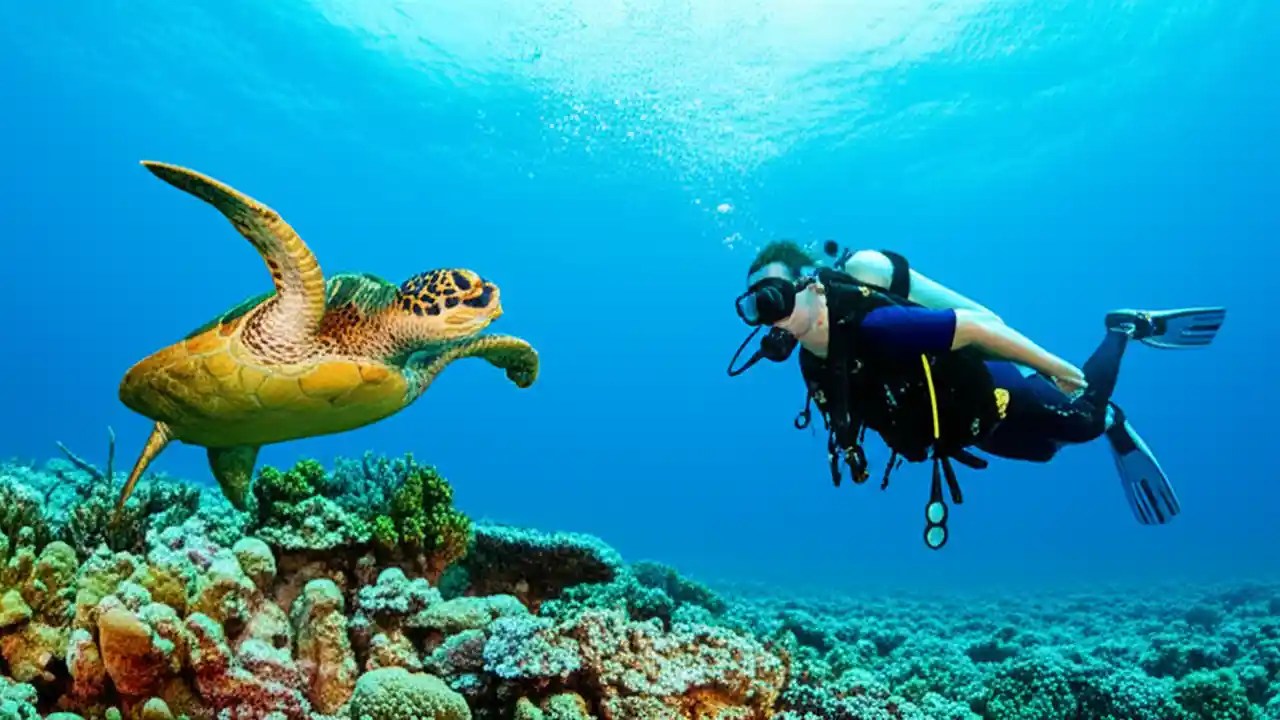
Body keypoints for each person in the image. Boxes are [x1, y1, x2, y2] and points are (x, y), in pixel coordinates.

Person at [728, 239, 1226, 549]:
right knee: (1041, 452)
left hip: (993, 394)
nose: (768, 314)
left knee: (1083, 422)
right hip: (961, 428)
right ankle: (1096, 413)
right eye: (756, 306)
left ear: (812, 286)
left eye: (773, 297)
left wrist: (1053, 367)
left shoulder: (877, 324)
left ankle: (1122, 331)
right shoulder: (812, 361)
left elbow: (974, 330)